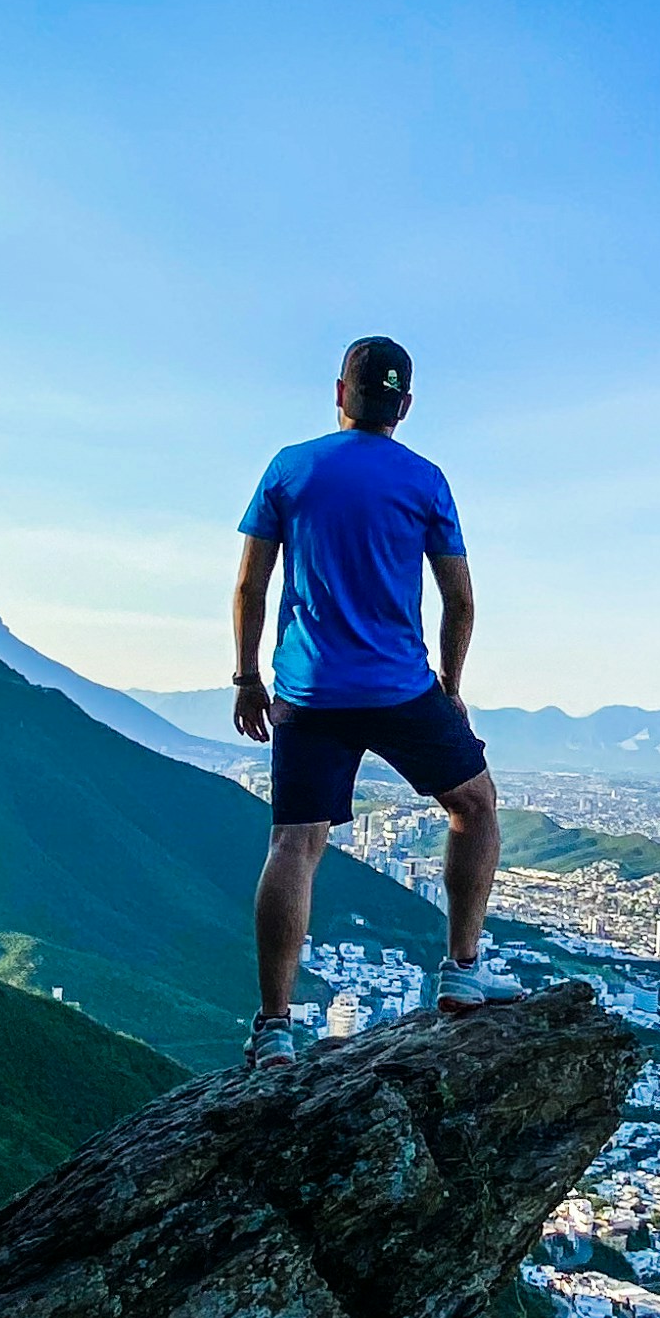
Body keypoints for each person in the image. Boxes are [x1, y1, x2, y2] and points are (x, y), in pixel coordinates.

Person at [231, 335, 521, 1067]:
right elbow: (460, 600)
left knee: (294, 845)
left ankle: (273, 1027)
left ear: (339, 393)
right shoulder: (425, 480)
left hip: (307, 689)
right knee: (475, 804)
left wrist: (246, 675)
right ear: (406, 406)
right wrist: (451, 691)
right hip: (399, 686)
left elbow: (249, 588)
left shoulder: (289, 469)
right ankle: (459, 968)